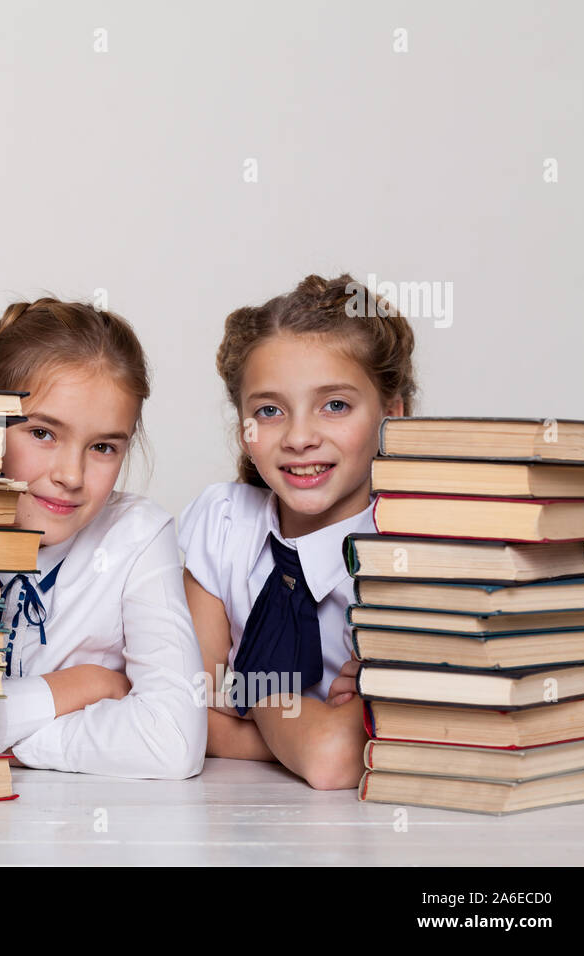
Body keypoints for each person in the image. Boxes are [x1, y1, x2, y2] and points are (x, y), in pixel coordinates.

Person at [0, 298, 206, 778]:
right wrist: (77, 687)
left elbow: (172, 742)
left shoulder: (138, 536)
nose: (71, 475)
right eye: (43, 433)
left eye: (103, 447)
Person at [179, 273, 418, 790]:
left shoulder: (416, 557)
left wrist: (254, 691)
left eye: (335, 405)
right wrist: (301, 730)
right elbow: (184, 712)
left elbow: (333, 759)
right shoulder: (222, 524)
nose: (300, 437)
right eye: (269, 411)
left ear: (391, 415)